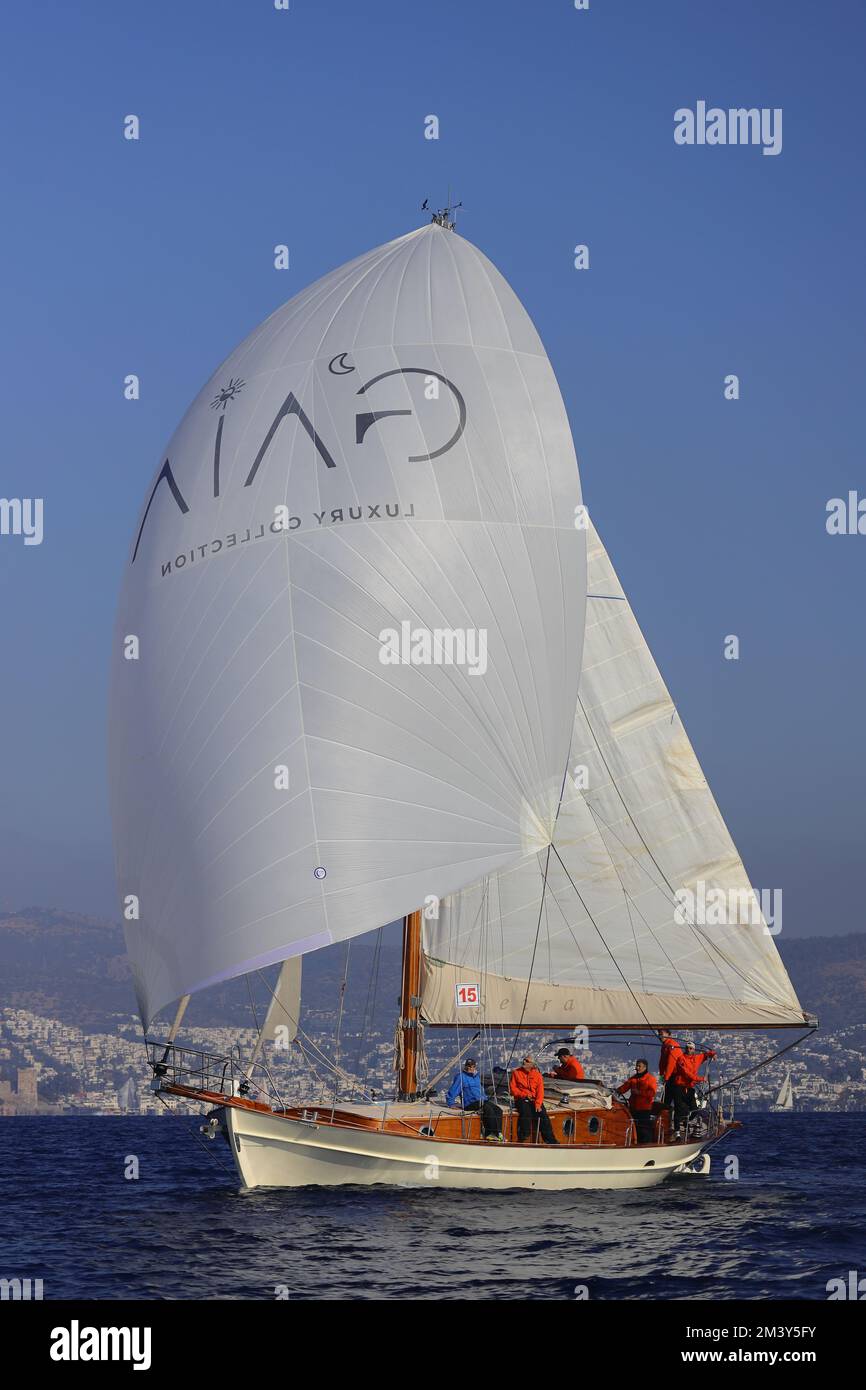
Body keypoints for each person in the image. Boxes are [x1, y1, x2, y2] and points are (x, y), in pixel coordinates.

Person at [445, 1058, 504, 1141]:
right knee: (488, 1109)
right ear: (465, 1066)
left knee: (498, 1110)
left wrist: (485, 1098)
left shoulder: (476, 1077)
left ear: (475, 1067)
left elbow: (480, 1089)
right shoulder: (461, 1077)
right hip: (470, 1103)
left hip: (481, 1100)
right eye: (468, 1066)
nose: (470, 1068)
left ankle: (498, 1133)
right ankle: (491, 1133)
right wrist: (451, 1103)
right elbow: (453, 1090)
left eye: (472, 1066)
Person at [668, 1041, 716, 1138]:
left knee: (694, 1109)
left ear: (694, 1050)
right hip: (679, 1087)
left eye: (690, 1048)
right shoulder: (681, 1059)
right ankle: (677, 1131)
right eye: (687, 1048)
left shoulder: (697, 1058)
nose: (688, 1050)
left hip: (689, 1088)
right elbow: (686, 1073)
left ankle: (686, 1120)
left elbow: (707, 1054)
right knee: (678, 1108)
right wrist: (701, 1079)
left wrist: (713, 1054)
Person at [510, 1054, 558, 1144]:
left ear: (532, 1064)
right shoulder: (516, 1073)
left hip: (534, 1099)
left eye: (527, 1061)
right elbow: (513, 1089)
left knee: (543, 1115)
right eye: (524, 1060)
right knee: (525, 1112)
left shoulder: (537, 1075)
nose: (524, 1062)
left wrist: (538, 1104)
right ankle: (524, 1137)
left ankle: (550, 1140)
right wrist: (523, 1094)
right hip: (521, 1098)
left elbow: (540, 1091)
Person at [616, 1058, 658, 1144]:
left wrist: (640, 1092)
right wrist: (616, 1091)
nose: (637, 1068)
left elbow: (652, 1093)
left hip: (644, 1109)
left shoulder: (650, 1079)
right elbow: (624, 1087)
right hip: (633, 1108)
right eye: (637, 1066)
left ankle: (646, 1144)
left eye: (639, 1066)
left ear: (645, 1067)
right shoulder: (633, 1079)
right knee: (634, 1128)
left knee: (644, 1129)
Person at [657, 1029, 683, 1110]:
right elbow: (662, 1062)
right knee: (666, 1099)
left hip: (677, 1076)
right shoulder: (665, 1045)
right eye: (659, 1034)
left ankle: (675, 1118)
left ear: (668, 1034)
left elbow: (671, 1062)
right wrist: (661, 1075)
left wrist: (666, 1077)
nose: (660, 1036)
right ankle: (665, 1115)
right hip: (670, 1076)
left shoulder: (671, 1045)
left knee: (674, 1099)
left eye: (661, 1034)